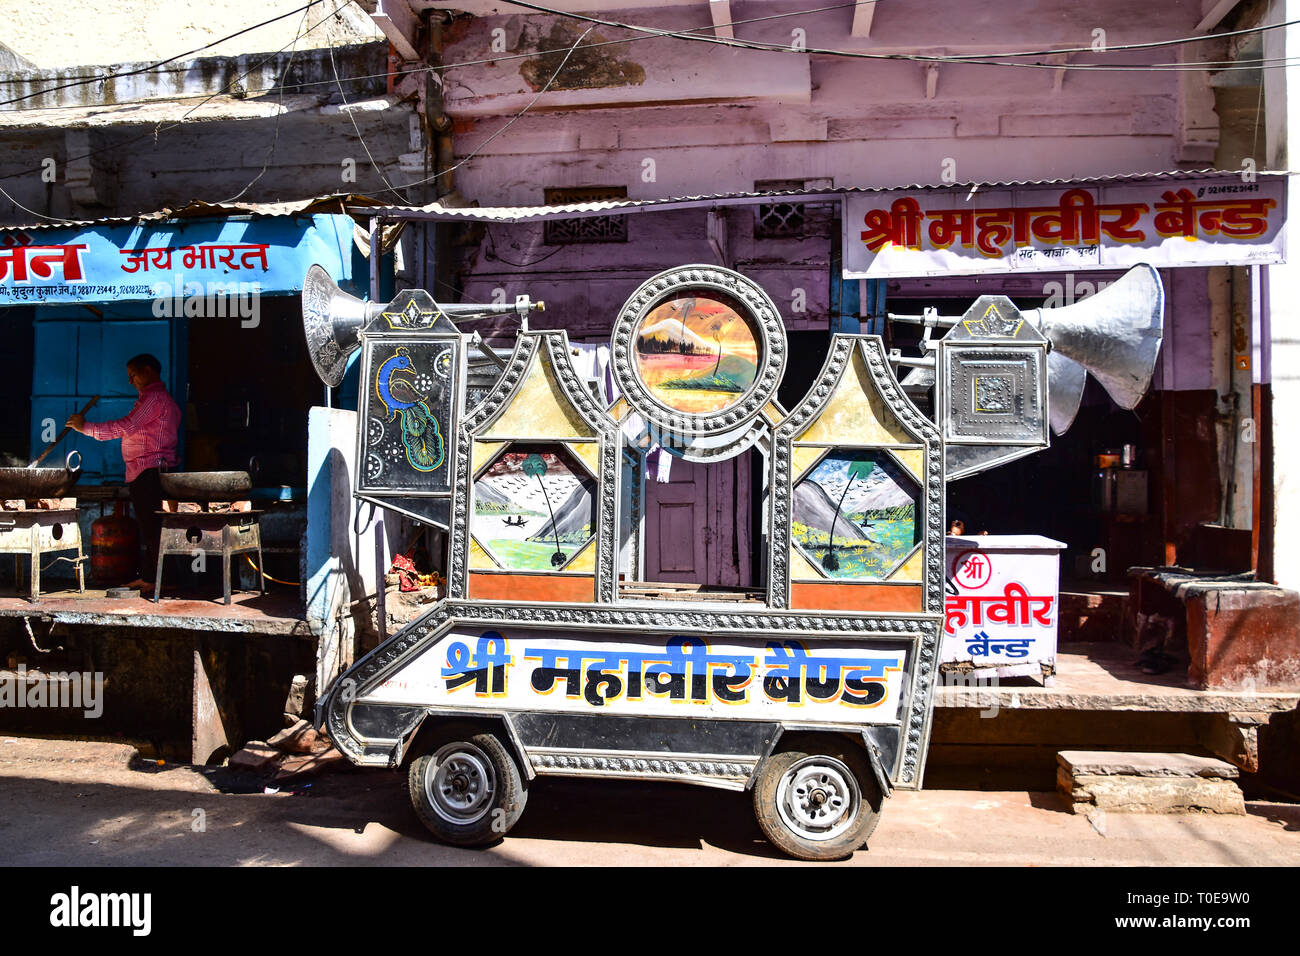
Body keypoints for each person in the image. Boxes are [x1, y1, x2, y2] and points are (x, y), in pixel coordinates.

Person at [67, 353, 181, 593]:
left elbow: (126, 426)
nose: (130, 381)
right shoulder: (157, 399)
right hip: (149, 471)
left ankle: (156, 580)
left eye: (133, 375)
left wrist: (86, 428)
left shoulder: (154, 398)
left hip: (149, 472)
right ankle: (151, 577)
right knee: (152, 527)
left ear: (148, 371)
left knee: (152, 528)